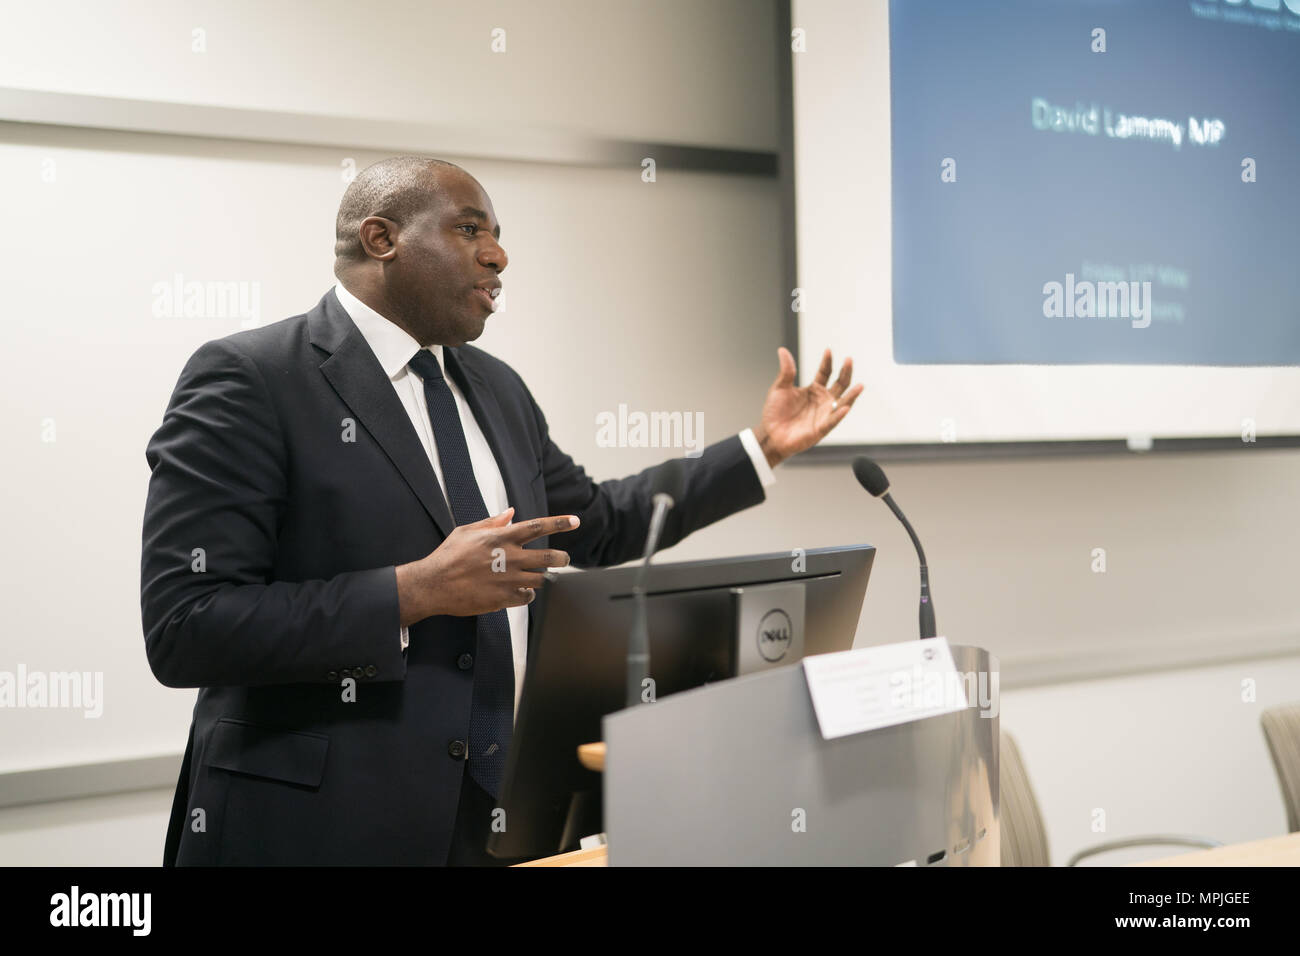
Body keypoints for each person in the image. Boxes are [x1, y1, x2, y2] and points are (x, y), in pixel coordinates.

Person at [140, 156, 863, 866]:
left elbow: (599, 524)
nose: (499, 255)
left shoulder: (495, 389)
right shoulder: (253, 378)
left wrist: (760, 449)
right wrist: (412, 593)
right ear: (382, 239)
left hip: (495, 822)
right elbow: (186, 626)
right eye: (469, 230)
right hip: (316, 828)